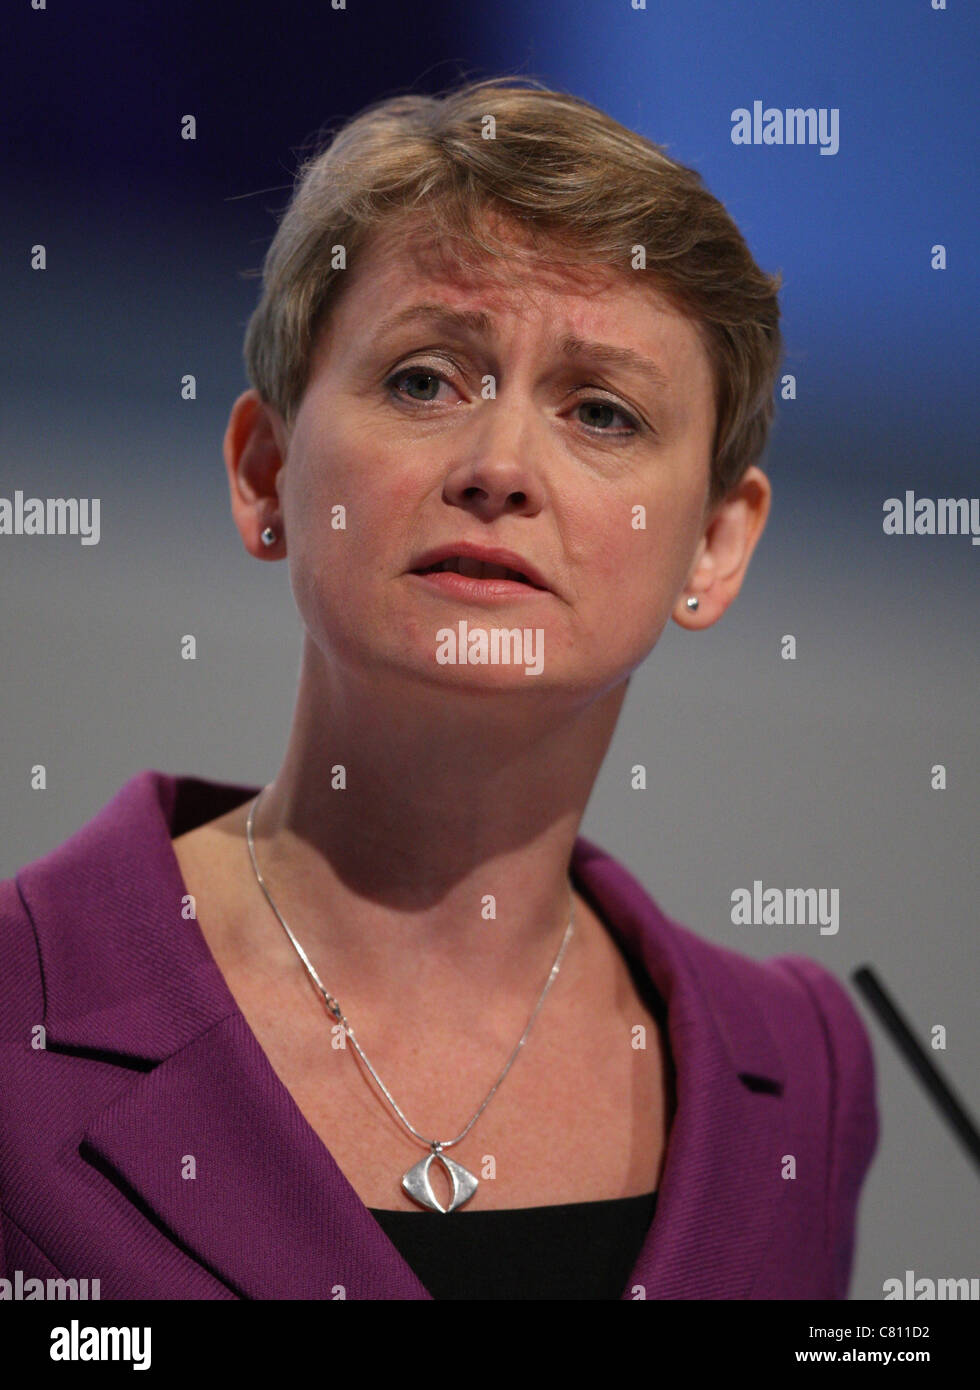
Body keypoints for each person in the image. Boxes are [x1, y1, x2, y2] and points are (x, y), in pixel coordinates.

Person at [0, 76, 877, 1301]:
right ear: (265, 470)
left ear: (715, 545)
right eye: (425, 379)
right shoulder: (16, 1014)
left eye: (601, 411)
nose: (499, 465)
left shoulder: (802, 1077)